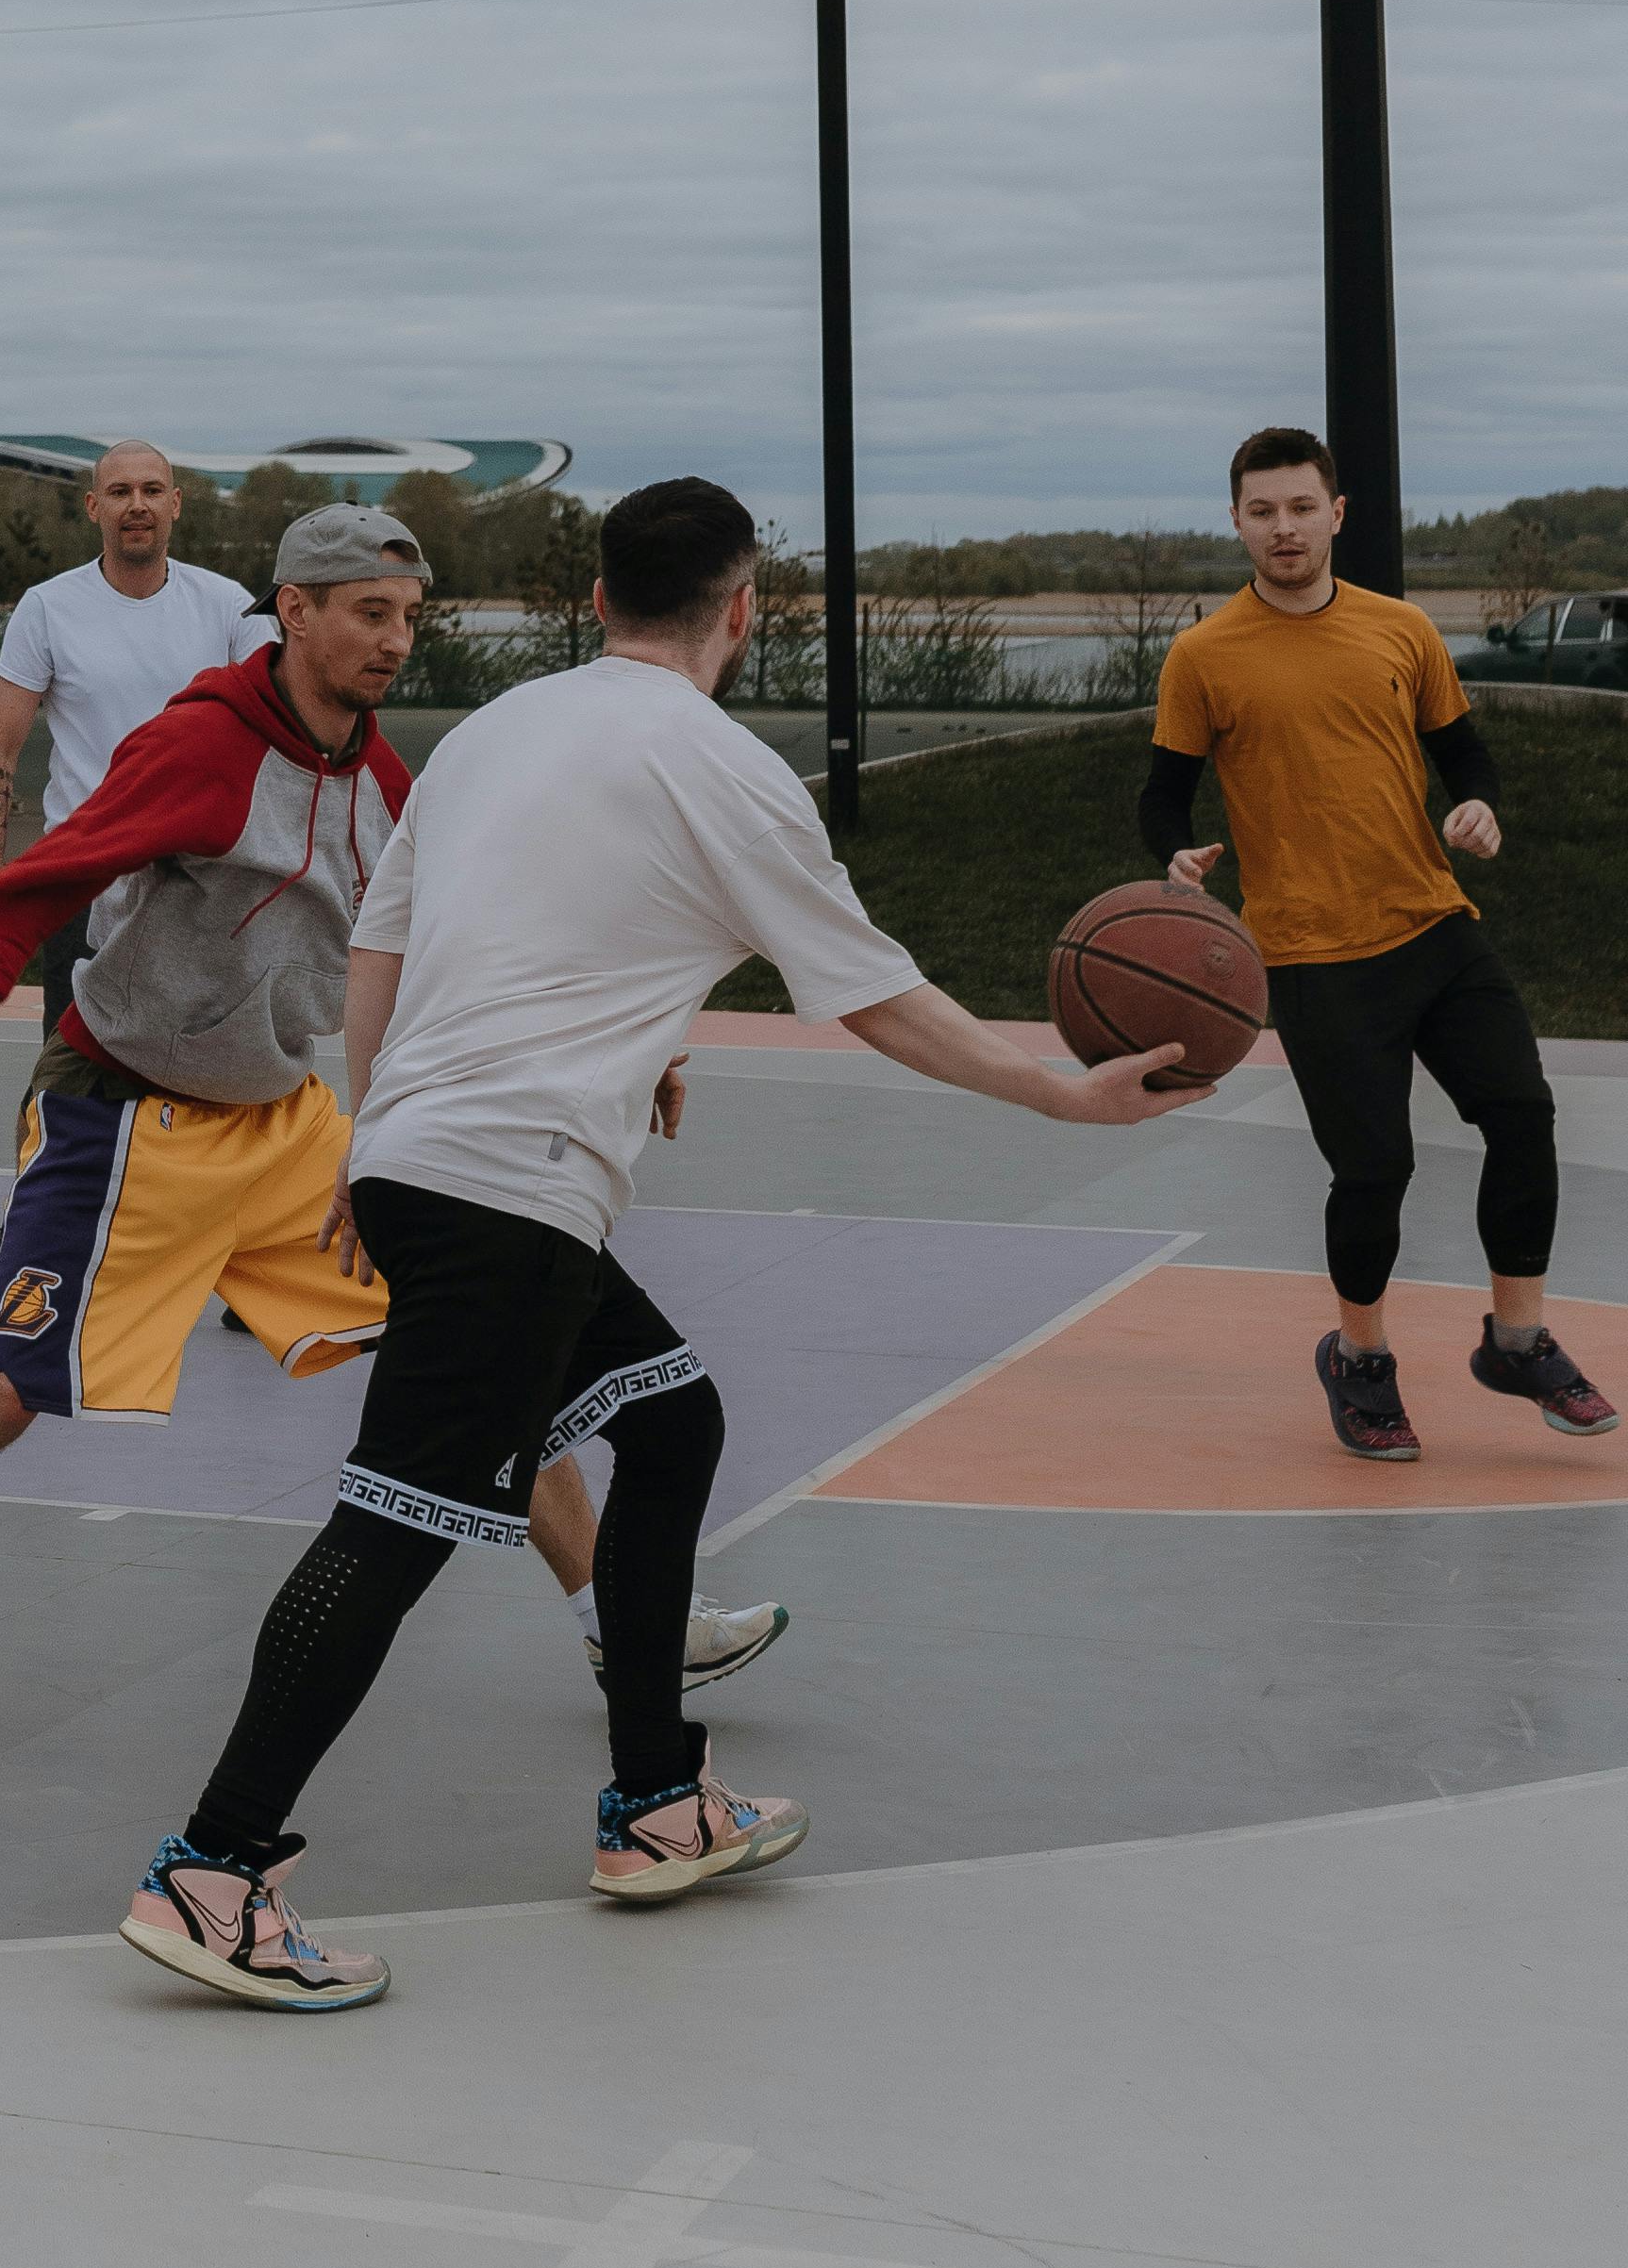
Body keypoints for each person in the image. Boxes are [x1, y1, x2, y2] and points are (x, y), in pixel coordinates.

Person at [119, 472, 1199, 2016]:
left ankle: (657, 1805)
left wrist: (373, 1133)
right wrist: (1055, 1089)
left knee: (672, 1422)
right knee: (395, 1522)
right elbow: (874, 991)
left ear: (603, 593)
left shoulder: (496, 731)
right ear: (743, 607)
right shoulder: (723, 766)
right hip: (510, 1183)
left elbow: (385, 941)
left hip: (435, 1155)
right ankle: (213, 1871)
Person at [0, 505, 793, 1784]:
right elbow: (44, 880)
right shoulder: (201, 747)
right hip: (125, 1113)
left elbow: (479, 932)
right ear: (294, 610)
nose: (394, 641)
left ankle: (614, 1626)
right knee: (1, 1396)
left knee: (483, 1349)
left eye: (410, 618)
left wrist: (651, 1054)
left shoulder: (384, 780)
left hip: (286, 1125)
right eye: (369, 612)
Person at [1144, 428, 1610, 1459]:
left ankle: (1516, 1339)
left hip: (1434, 929)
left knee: (1522, 1116)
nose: (1281, 528)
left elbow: (1463, 752)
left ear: (1334, 513)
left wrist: (1478, 806)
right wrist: (1174, 860)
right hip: (1308, 956)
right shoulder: (1203, 655)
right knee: (1374, 1171)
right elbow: (1160, 797)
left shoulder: (1399, 630)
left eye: (1298, 507)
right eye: (1259, 511)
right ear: (1234, 521)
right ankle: (1357, 1360)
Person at [0, 443, 264, 1047]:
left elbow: (280, 734)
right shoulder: (48, 608)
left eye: (152, 491)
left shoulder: (230, 605)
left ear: (175, 504)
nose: (137, 505)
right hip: (83, 882)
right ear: (92, 506)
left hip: (202, 885)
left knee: (198, 1073)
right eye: (120, 492)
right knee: (69, 1072)